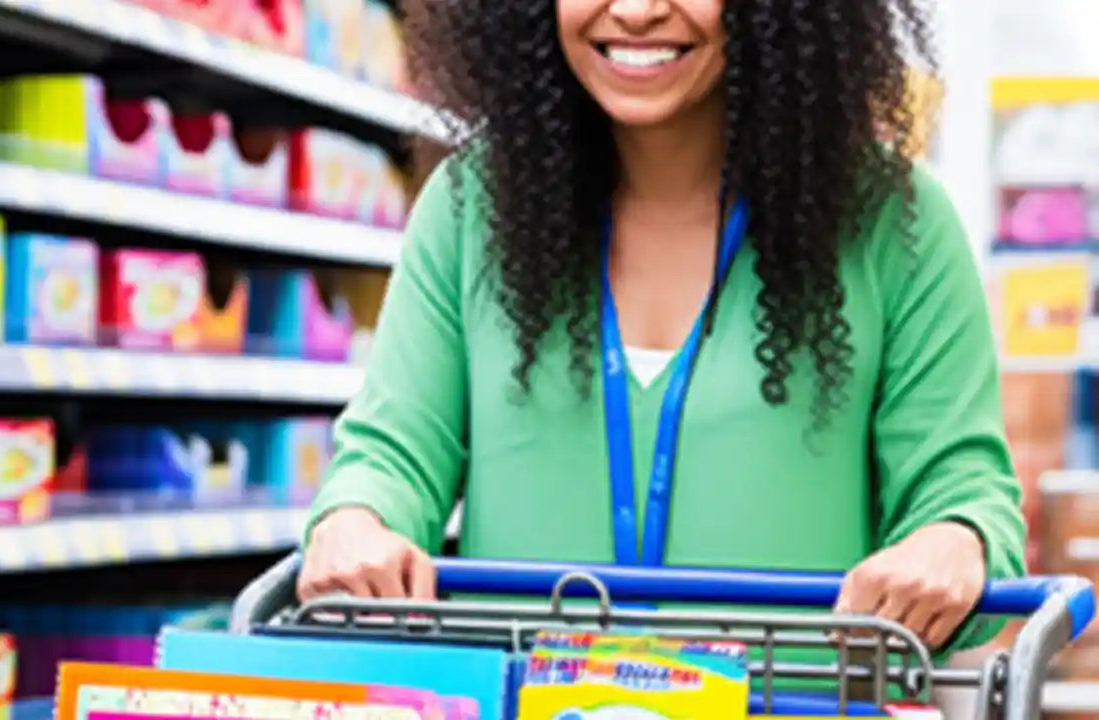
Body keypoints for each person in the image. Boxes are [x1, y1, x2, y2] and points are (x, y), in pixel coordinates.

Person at [300, 0, 1026, 653]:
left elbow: (963, 492)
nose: (638, 11)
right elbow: (393, 454)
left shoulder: (896, 224)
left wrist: (953, 542)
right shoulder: (469, 210)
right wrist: (357, 519)